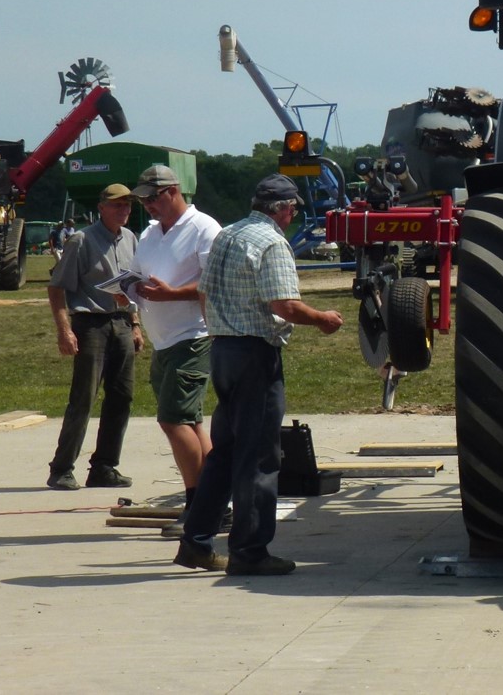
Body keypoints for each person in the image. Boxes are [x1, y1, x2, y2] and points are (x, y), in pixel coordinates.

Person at [172, 174, 343, 576]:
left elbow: (203, 293)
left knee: (225, 453)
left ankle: (195, 542)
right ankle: (250, 551)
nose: (293, 215)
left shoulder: (227, 235)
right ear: (283, 209)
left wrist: (221, 327)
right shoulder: (272, 243)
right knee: (259, 459)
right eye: (294, 209)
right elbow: (284, 303)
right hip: (254, 354)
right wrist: (322, 320)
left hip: (223, 349)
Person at [127, 165, 222, 533]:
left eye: (152, 198)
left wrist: (172, 293)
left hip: (193, 335)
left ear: (172, 191)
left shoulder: (204, 228)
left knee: (173, 419)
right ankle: (216, 498)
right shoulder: (150, 233)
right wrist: (127, 290)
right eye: (143, 200)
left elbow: (212, 282)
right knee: (191, 423)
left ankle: (199, 504)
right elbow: (136, 272)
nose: (147, 206)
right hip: (163, 340)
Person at [46, 183, 143, 491]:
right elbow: (56, 288)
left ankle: (104, 467)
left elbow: (131, 288)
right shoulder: (81, 239)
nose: (124, 210)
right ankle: (61, 468)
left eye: (128, 205)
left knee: (122, 397)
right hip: (90, 326)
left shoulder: (130, 239)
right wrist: (65, 331)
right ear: (102, 207)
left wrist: (136, 325)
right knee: (83, 398)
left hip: (122, 325)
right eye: (117, 205)